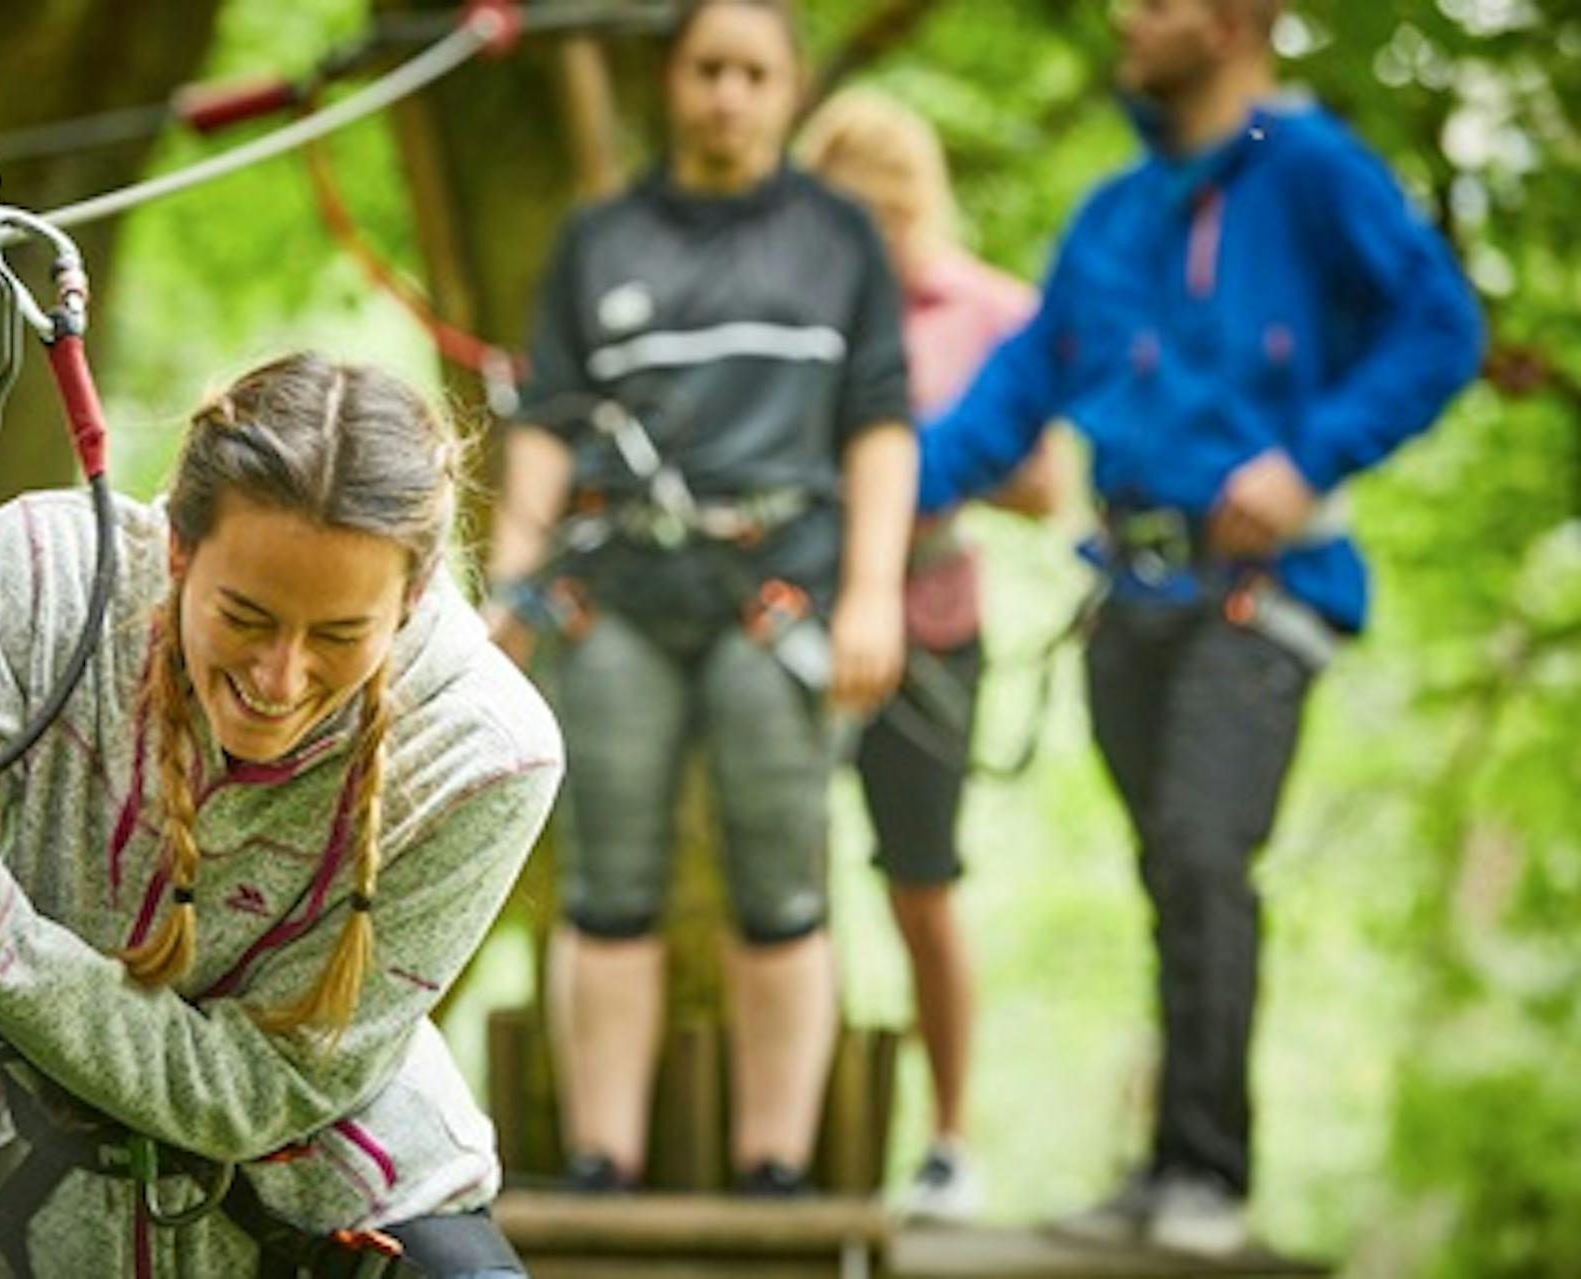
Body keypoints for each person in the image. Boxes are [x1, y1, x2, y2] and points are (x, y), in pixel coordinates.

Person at [0, 352, 564, 1276]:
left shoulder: (484, 751)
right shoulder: (46, 584)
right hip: (19, 1203)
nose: (280, 676)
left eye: (339, 634)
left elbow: (261, 1093)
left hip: (337, 1225)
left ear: (412, 599)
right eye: (247, 615)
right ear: (178, 548)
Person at [915, 0, 1483, 1256]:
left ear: (1234, 21)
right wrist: (860, 496)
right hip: (1132, 595)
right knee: (1171, 876)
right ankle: (1168, 1165)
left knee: (1200, 851)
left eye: (1159, 0)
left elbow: (1442, 328)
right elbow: (1011, 396)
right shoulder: (1113, 216)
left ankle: (1208, 1181)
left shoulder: (1316, 172)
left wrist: (1308, 459)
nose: (1126, 16)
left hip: (1260, 596)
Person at [484, 0, 916, 1197]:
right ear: (671, 81)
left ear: (787, 89)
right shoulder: (598, 239)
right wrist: (507, 592)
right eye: (708, 69)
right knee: (606, 877)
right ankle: (599, 1158)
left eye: (754, 72)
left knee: (782, 878)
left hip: (778, 599)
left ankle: (774, 1166)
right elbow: (549, 430)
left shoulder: (842, 240)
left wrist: (876, 593)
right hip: (619, 594)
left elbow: (882, 425)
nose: (728, 93)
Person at [797, 87, 1058, 1224]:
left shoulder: (995, 311)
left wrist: (910, 475)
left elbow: (1045, 485)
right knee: (785, 887)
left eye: (888, 220)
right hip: (795, 624)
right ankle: (797, 1129)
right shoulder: (795, 308)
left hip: (935, 626)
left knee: (921, 886)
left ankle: (950, 1141)